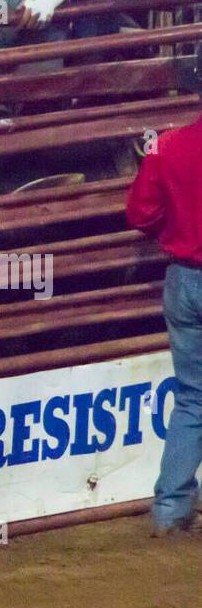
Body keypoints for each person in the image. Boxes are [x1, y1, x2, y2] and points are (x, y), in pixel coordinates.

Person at [126, 111, 202, 536]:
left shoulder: (167, 144)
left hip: (183, 279)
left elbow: (140, 213)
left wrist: (173, 226)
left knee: (193, 398)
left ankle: (171, 509)